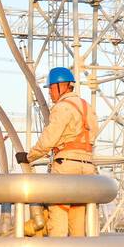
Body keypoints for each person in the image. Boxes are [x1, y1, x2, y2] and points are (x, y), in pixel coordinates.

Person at [15, 67, 96, 237]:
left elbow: (49, 140)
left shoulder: (62, 107)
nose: (50, 93)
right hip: (88, 168)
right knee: (77, 221)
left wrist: (29, 157)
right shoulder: (87, 107)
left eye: (51, 88)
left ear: (62, 86)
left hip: (66, 166)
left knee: (57, 219)